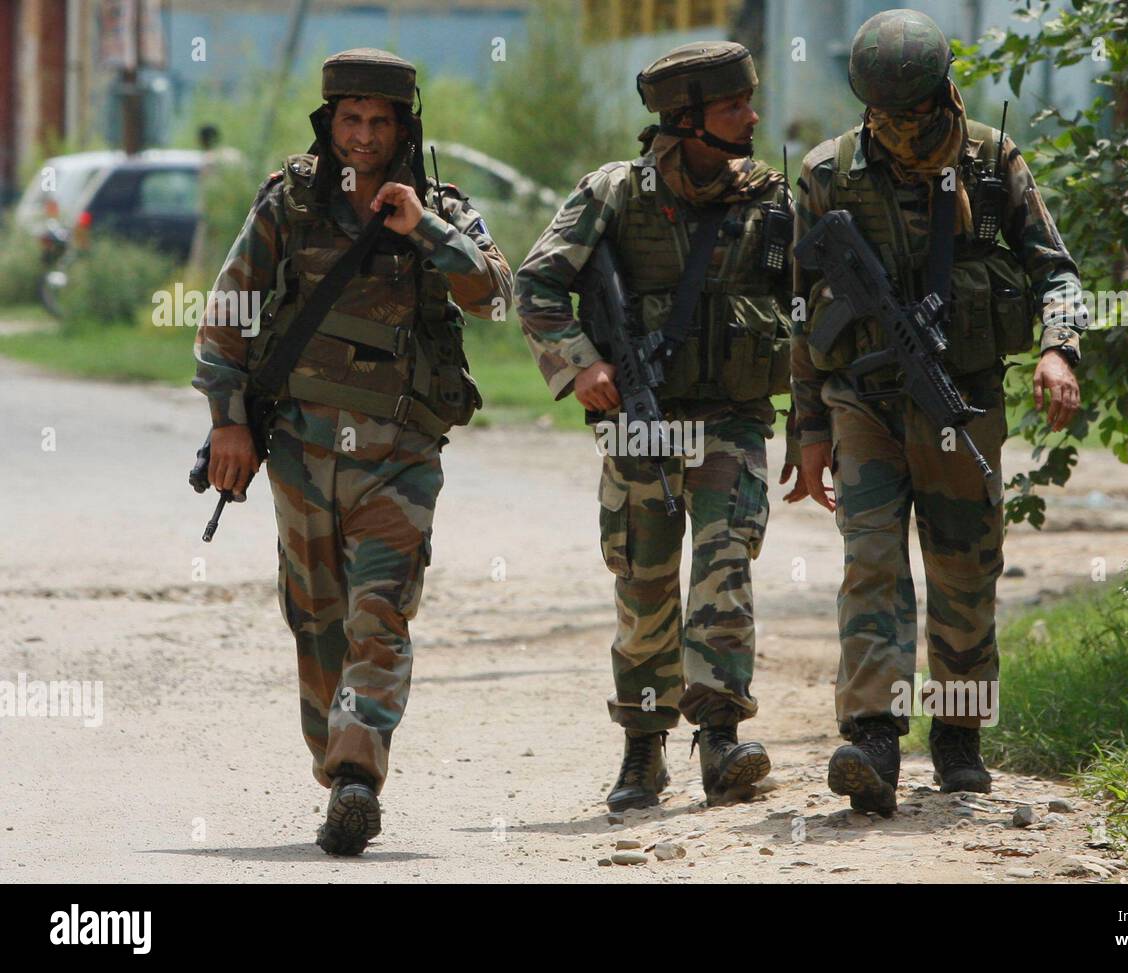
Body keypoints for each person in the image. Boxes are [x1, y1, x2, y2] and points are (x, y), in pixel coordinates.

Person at [193, 48, 512, 854]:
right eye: (349, 121)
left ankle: (358, 779)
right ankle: (336, 769)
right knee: (316, 620)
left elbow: (497, 294)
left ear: (404, 127)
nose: (362, 137)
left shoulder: (440, 205)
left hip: (398, 455)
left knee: (381, 615)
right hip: (301, 450)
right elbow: (227, 313)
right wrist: (230, 421)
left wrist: (426, 229)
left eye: (378, 122)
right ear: (328, 125)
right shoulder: (289, 204)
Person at [793, 10, 1087, 815]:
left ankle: (958, 737)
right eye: (889, 115)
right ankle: (873, 739)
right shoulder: (827, 174)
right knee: (872, 566)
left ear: (945, 91)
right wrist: (809, 430)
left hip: (967, 400)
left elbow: (1057, 273)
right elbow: (800, 312)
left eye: (919, 110)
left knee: (964, 567)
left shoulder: (994, 165)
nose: (906, 128)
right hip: (862, 404)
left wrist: (1058, 349)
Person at [514, 41, 803, 811]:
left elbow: (807, 318)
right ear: (687, 118)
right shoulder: (614, 193)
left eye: (749, 100)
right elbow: (537, 284)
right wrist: (580, 364)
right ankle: (643, 750)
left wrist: (811, 427)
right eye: (734, 104)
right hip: (642, 422)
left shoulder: (770, 202)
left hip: (731, 422)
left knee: (723, 567)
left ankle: (720, 739)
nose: (751, 114)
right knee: (644, 583)